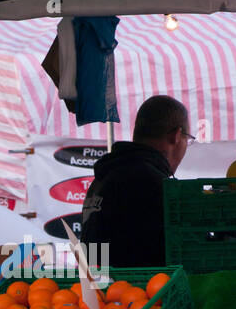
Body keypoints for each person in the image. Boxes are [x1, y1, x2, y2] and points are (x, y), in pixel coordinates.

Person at [81, 96, 193, 267]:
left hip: (101, 291)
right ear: (176, 136)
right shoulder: (155, 185)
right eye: (188, 139)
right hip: (141, 292)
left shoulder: (101, 179)